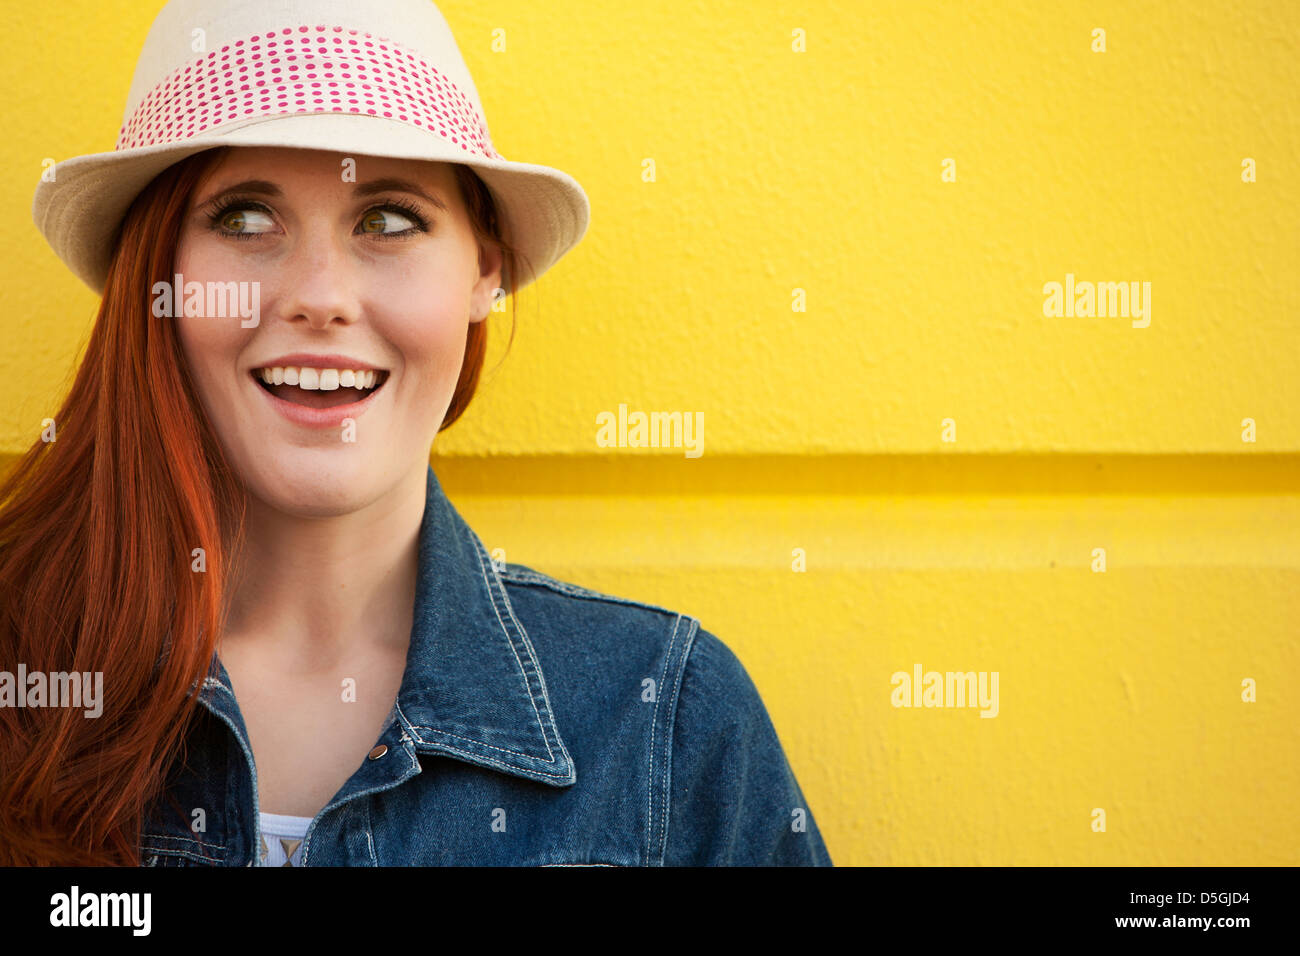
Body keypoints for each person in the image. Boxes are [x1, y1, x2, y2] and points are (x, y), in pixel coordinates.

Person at [2, 0, 832, 866]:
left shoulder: (667, 720)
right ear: (156, 278)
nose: (318, 295)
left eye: (389, 220)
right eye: (245, 218)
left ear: (485, 270)